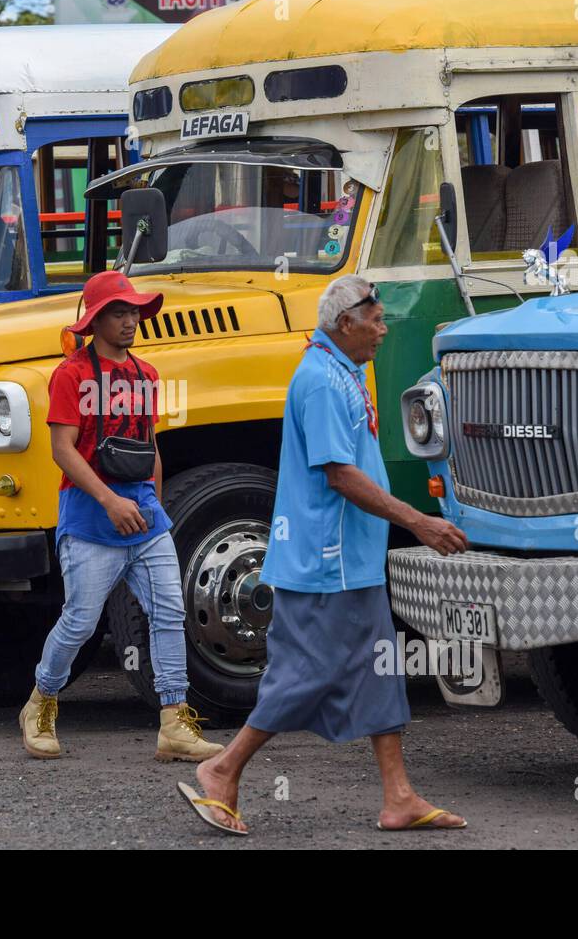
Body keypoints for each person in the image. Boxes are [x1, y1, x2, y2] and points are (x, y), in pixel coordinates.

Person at [176, 274, 470, 835]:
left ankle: (399, 797)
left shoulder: (342, 372)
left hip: (349, 561)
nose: (384, 330)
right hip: (323, 564)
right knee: (303, 676)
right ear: (345, 323)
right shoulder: (321, 382)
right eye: (376, 321)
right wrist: (419, 522)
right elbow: (339, 474)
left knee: (380, 669)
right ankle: (222, 768)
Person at [20, 270, 224, 763]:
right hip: (90, 518)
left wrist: (152, 506)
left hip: (144, 519)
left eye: (134, 311)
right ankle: (41, 702)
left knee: (170, 614)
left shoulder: (147, 375)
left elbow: (148, 447)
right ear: (95, 321)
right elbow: (62, 451)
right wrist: (110, 501)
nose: (131, 320)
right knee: (81, 620)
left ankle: (174, 721)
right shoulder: (70, 375)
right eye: (120, 312)